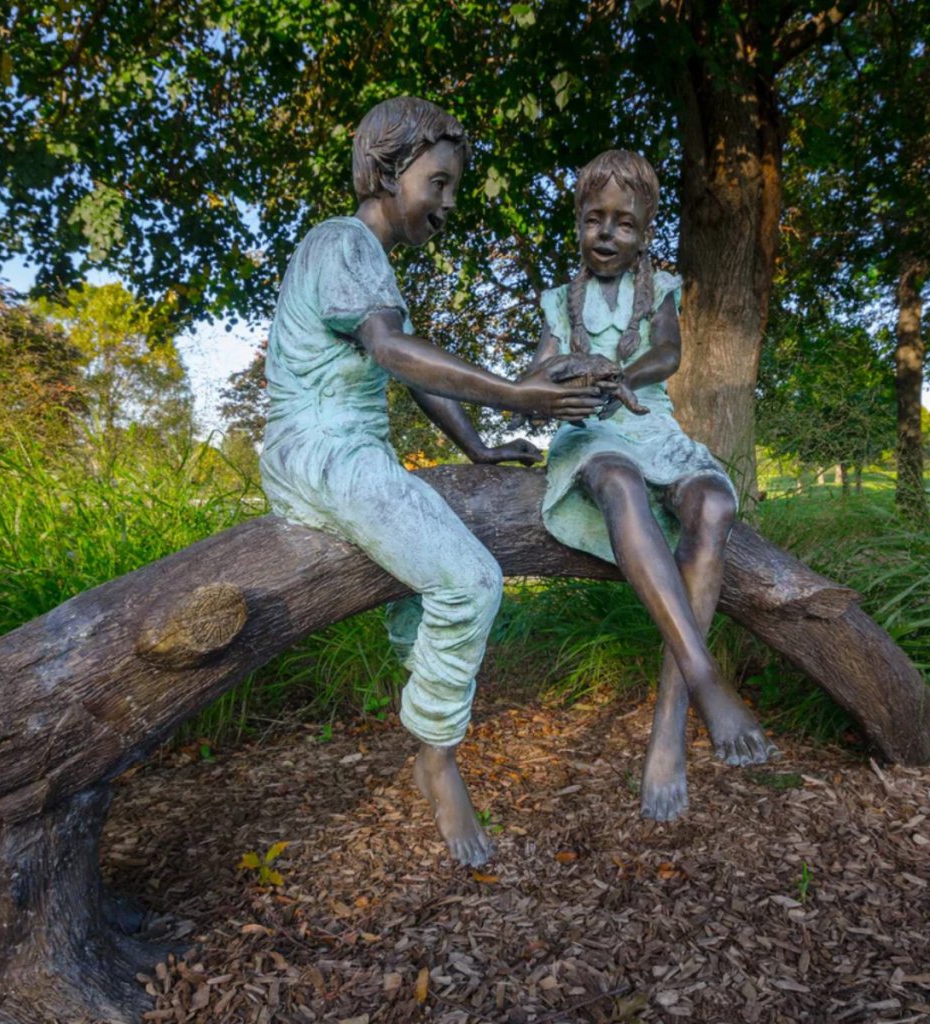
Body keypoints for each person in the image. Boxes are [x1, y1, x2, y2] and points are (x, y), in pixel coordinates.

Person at [259, 96, 602, 866]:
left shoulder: (365, 260)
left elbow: (410, 370)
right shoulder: (342, 241)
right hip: (323, 452)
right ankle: (436, 756)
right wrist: (516, 393)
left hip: (346, 454)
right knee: (471, 582)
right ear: (387, 171)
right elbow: (392, 351)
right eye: (438, 183)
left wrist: (479, 446)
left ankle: (428, 701)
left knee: (425, 565)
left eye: (452, 188)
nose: (446, 204)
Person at [527, 150, 777, 822]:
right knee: (618, 481)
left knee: (714, 504)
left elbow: (668, 352)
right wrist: (564, 376)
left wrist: (619, 375)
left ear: (646, 232)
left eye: (625, 223)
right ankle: (704, 680)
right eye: (594, 219)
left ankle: (669, 723)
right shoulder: (557, 302)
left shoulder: (661, 288)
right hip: (595, 437)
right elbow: (535, 377)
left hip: (653, 425)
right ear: (578, 222)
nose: (607, 233)